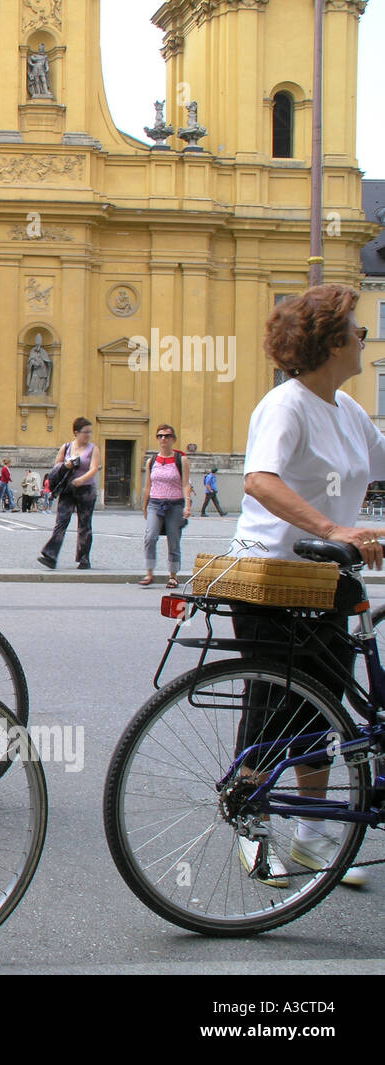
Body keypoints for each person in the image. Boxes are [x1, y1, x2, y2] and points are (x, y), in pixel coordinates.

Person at [230, 284, 385, 888]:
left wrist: (340, 539)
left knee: (321, 705)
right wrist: (334, 527)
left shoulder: (349, 412)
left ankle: (315, 836)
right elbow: (260, 481)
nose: (365, 341)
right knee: (274, 708)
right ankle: (250, 823)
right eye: (358, 331)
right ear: (330, 342)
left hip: (327, 577)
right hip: (272, 575)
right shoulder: (285, 404)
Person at [38, 417, 101, 569]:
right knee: (61, 522)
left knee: (84, 525)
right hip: (68, 489)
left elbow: (94, 468)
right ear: (76, 432)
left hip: (86, 490)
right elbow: (56, 467)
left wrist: (81, 479)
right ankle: (51, 555)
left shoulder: (93, 449)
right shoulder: (66, 447)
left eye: (90, 432)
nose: (88, 435)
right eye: (85, 432)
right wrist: (66, 465)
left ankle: (84, 559)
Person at [139, 424, 191, 588]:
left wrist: (187, 505)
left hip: (175, 504)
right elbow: (148, 484)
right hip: (155, 503)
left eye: (167, 436)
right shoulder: (152, 460)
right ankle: (149, 573)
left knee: (173, 540)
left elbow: (185, 484)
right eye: (160, 436)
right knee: (150, 537)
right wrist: (145, 505)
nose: (163, 439)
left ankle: (173, 575)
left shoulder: (181, 460)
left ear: (173, 439)